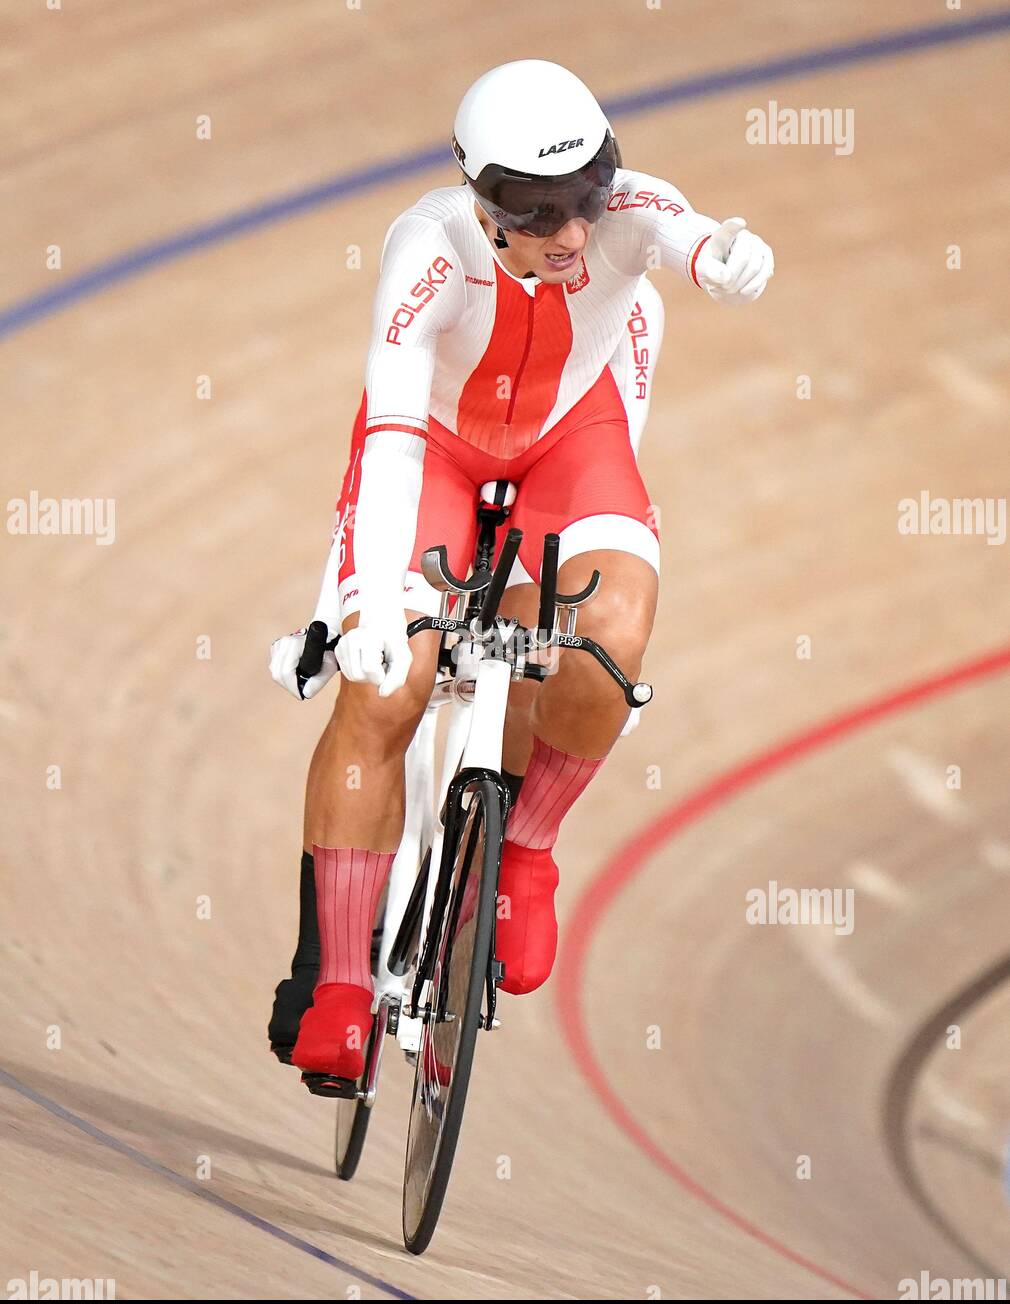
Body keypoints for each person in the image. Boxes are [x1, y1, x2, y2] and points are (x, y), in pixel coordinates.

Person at [267, 59, 774, 1082]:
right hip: (435, 451)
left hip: (567, 444)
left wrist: (723, 254)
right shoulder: (427, 250)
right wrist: (368, 597)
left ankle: (526, 852)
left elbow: (686, 235)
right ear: (480, 200)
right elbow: (396, 434)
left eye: (586, 196)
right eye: (538, 212)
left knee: (605, 642)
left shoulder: (624, 212)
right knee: (388, 685)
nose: (572, 233)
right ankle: (339, 985)